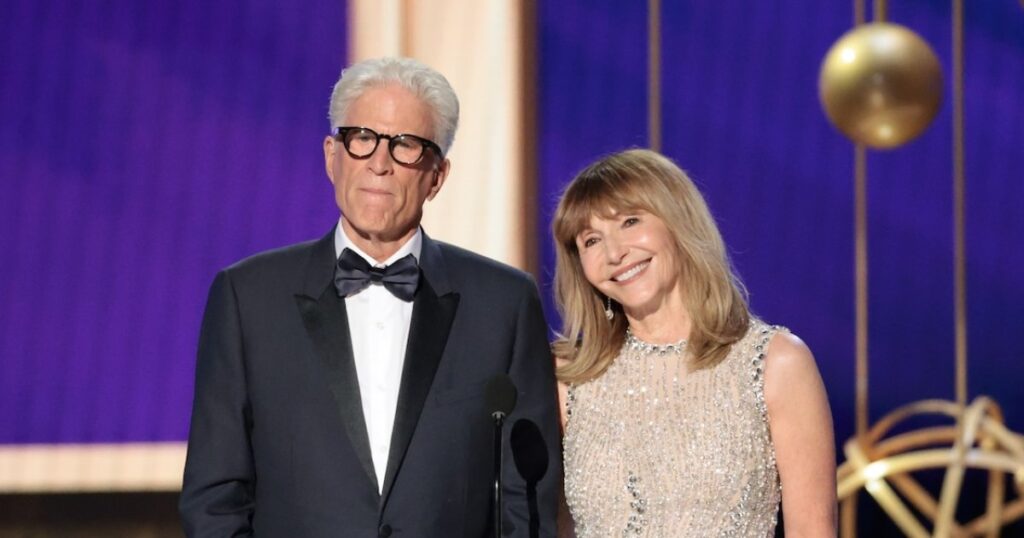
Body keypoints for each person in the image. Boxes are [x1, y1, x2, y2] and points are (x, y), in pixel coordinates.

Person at [179, 57, 562, 537]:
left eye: (406, 145)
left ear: (437, 176)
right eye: (362, 138)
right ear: (331, 156)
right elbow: (214, 502)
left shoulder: (503, 304)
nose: (379, 164)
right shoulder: (248, 298)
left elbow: (526, 506)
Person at [551, 149, 836, 536]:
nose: (614, 253)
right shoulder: (569, 380)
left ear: (678, 221)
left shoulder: (776, 363)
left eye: (630, 221)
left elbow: (812, 530)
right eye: (591, 240)